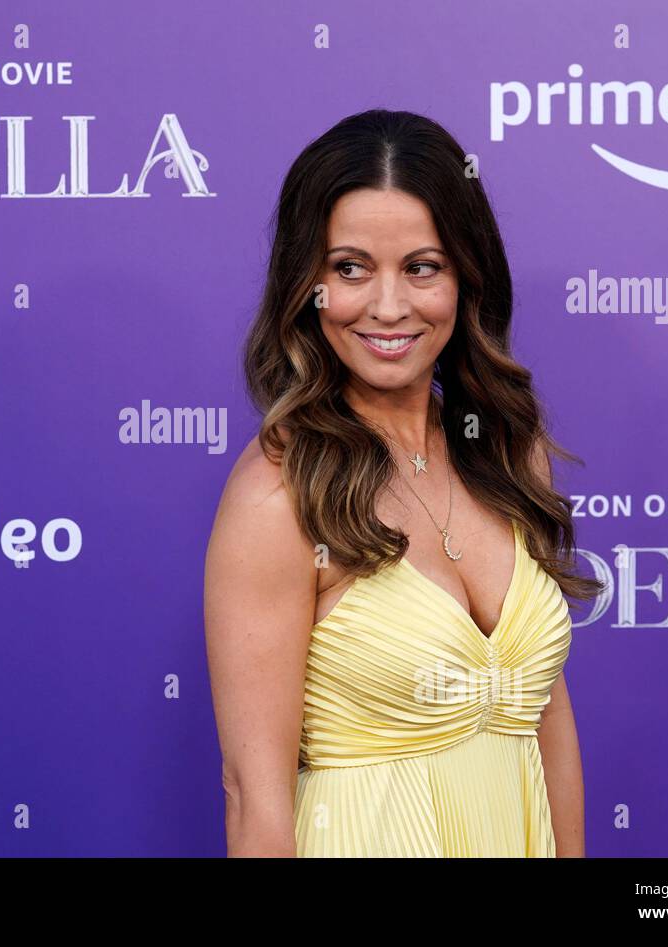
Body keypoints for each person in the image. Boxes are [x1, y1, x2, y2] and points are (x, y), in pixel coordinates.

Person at [203, 109, 605, 857]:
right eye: (350, 268)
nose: (388, 307)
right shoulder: (282, 494)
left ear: (466, 275)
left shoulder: (510, 455)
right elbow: (251, 793)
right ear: (307, 284)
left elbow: (543, 713)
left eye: (422, 266)